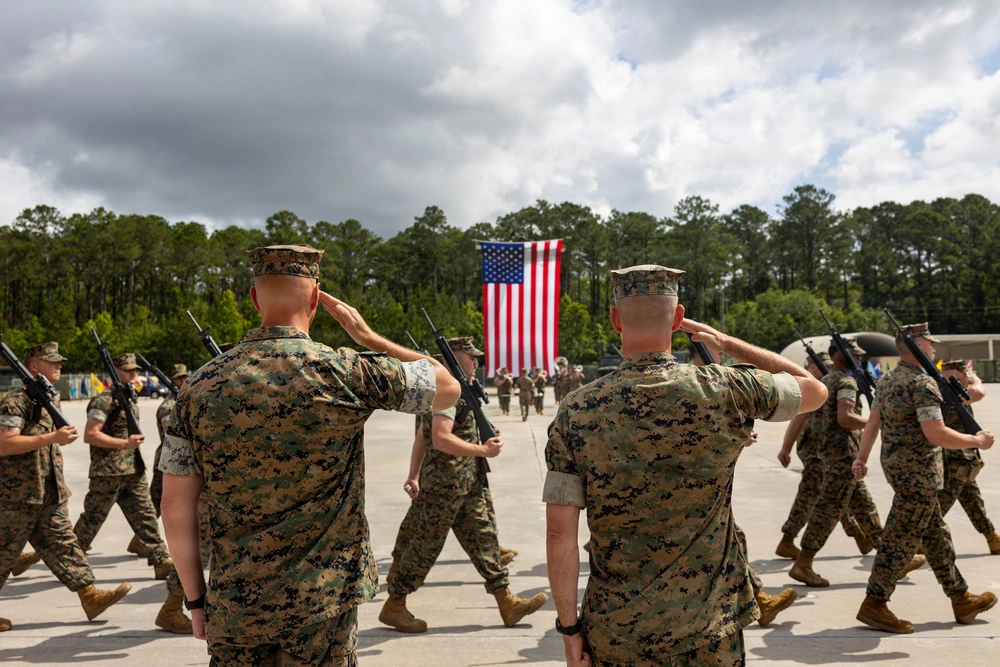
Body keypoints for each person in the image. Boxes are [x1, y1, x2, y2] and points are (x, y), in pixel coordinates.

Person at [159, 244, 462, 665]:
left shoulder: (198, 386)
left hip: (235, 605)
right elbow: (447, 386)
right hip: (322, 604)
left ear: (253, 299)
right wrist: (369, 337)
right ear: (317, 298)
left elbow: (174, 506)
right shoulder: (343, 372)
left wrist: (195, 601)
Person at [544, 265, 827, 666]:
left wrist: (570, 631)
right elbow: (815, 388)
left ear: (614, 320)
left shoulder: (575, 410)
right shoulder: (726, 388)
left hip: (618, 631)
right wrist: (730, 343)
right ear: (678, 321)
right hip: (710, 628)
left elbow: (560, 535)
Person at [380, 336, 547, 633]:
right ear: (456, 358)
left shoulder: (453, 389)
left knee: (484, 539)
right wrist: (482, 450)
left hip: (465, 482)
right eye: (472, 357)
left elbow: (423, 435)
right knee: (423, 546)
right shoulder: (449, 392)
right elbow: (439, 438)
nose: (478, 362)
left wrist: (413, 474)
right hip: (445, 485)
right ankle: (394, 605)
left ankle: (506, 602)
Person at [853, 323, 996, 633]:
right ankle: (874, 603)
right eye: (930, 344)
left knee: (935, 534)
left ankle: (960, 597)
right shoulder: (922, 383)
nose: (933, 349)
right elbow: (936, 433)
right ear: (918, 346)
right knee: (898, 539)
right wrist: (977, 441)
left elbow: (873, 422)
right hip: (918, 473)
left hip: (897, 468)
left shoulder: (888, 380)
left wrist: (861, 457)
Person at [0, 342, 131, 632]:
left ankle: (90, 596)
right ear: (33, 366)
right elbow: (4, 444)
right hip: (17, 495)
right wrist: (51, 438)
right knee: (3, 553)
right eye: (52, 362)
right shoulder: (15, 401)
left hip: (49, 492)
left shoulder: (48, 398)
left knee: (65, 544)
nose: (59, 365)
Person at [787, 338, 890, 588]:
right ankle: (804, 563)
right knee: (828, 509)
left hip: (831, 453)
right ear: (842, 357)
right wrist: (874, 422)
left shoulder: (825, 381)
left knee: (864, 506)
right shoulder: (845, 381)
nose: (860, 359)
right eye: (856, 355)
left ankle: (892, 557)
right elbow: (846, 418)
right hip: (842, 453)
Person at [73, 353, 174, 581]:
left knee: (146, 515)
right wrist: (124, 444)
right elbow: (90, 435)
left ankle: (161, 560)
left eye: (134, 370)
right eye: (128, 370)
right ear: (115, 372)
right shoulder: (104, 400)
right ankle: (69, 561)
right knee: (91, 520)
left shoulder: (128, 398)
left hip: (132, 470)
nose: (133, 374)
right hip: (108, 472)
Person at [776, 353, 871, 559]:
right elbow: (800, 418)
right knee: (818, 497)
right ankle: (789, 540)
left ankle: (865, 537)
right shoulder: (816, 389)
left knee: (841, 496)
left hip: (829, 451)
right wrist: (786, 448)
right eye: (820, 365)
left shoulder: (828, 385)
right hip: (817, 452)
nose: (825, 368)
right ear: (810, 367)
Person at [937, 360, 1000, 554]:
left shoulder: (948, 391)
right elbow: (979, 392)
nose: (965, 380)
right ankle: (913, 546)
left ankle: (993, 538)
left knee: (972, 500)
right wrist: (976, 379)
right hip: (954, 460)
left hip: (963, 459)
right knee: (938, 507)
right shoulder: (947, 394)